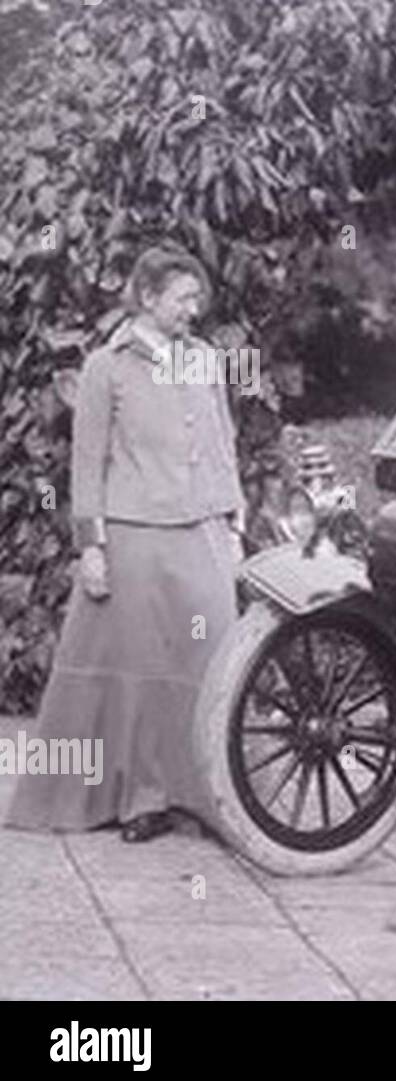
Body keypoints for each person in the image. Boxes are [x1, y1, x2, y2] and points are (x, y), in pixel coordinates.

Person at [6, 244, 245, 842]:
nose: (194, 309)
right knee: (140, 672)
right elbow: (87, 464)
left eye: (198, 298)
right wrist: (92, 546)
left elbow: (222, 441)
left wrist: (234, 521)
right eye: (183, 298)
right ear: (146, 298)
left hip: (204, 529)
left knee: (213, 660)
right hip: (135, 537)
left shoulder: (205, 358)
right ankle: (143, 801)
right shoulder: (104, 367)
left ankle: (207, 795)